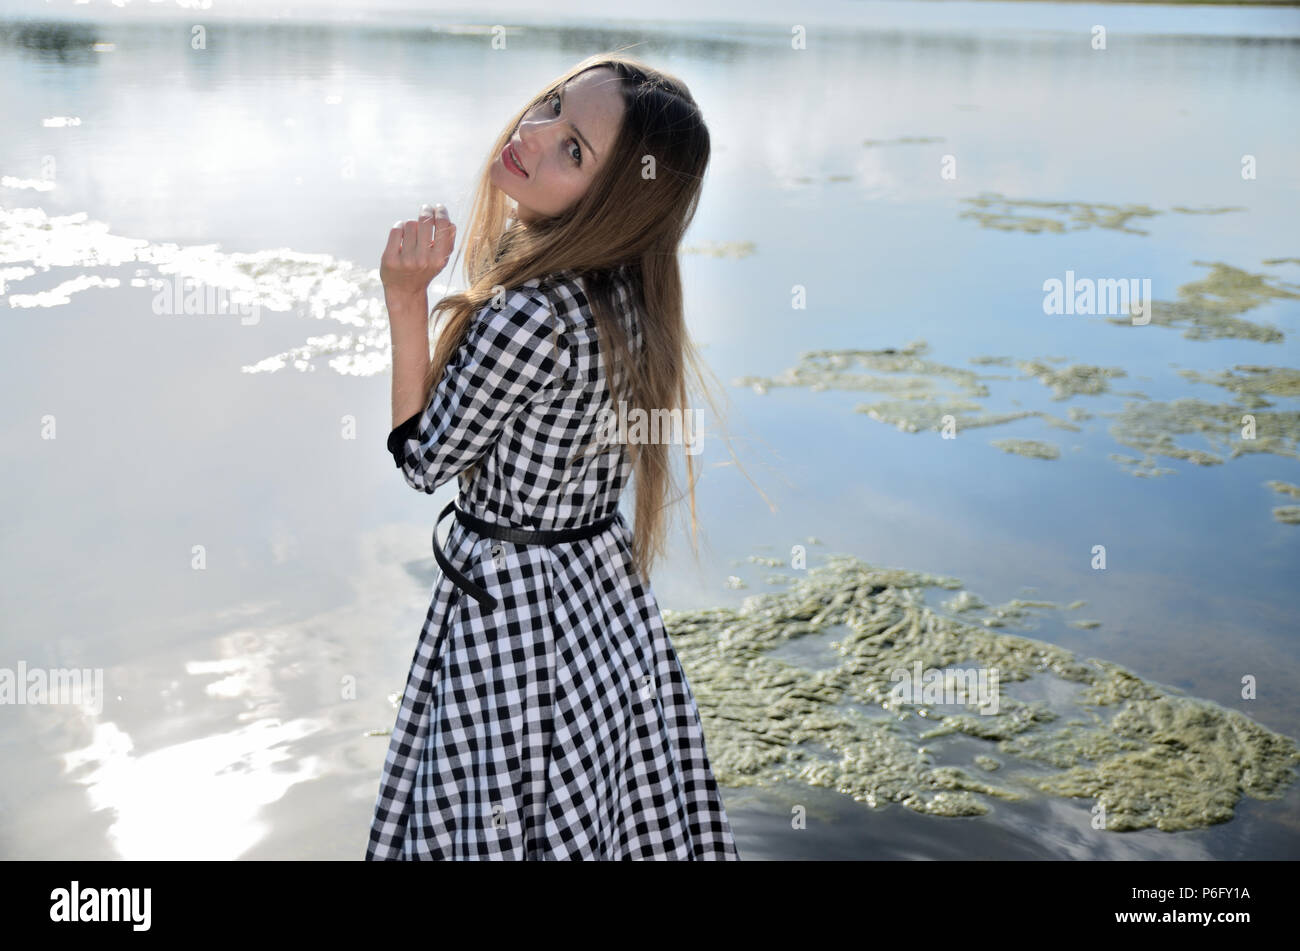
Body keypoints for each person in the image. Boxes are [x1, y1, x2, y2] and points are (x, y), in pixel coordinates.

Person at [366, 52, 740, 860]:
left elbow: (424, 461)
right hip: (599, 607)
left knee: (484, 817)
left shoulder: (530, 315)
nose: (530, 138)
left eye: (573, 149)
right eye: (552, 108)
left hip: (511, 613)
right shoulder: (630, 297)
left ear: (616, 200)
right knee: (597, 813)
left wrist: (404, 299)